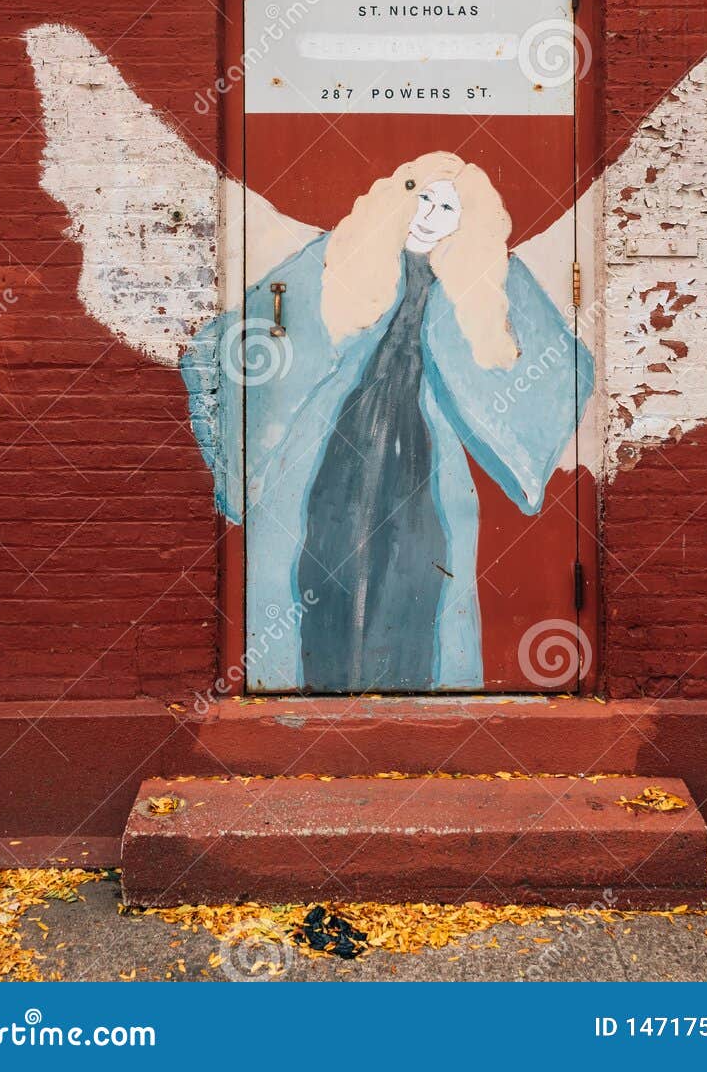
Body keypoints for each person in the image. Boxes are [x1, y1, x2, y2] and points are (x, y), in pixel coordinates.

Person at [181, 151, 591, 693]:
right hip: (333, 444)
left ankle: (410, 692)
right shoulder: (338, 256)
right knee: (319, 565)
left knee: (420, 570)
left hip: (422, 455)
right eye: (423, 195)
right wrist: (232, 451)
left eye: (449, 207)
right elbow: (219, 345)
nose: (430, 214)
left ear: (468, 222)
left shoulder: (490, 280)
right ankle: (309, 689)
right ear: (398, 195)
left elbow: (567, 368)